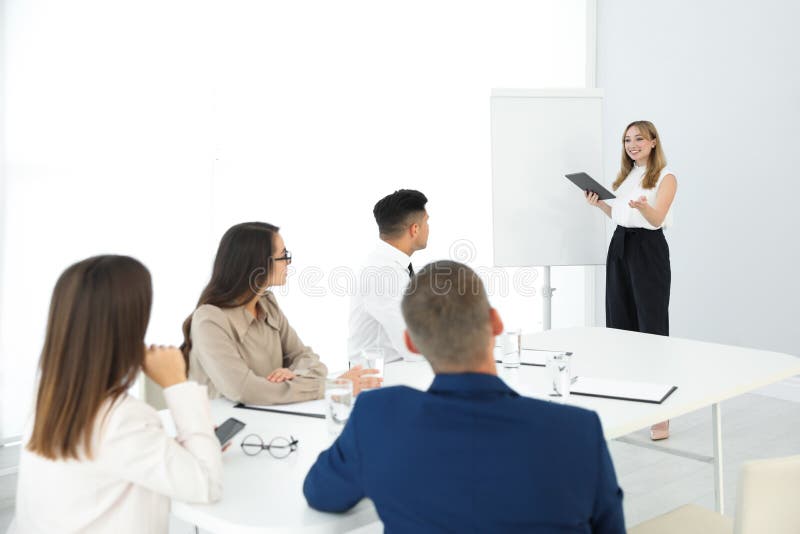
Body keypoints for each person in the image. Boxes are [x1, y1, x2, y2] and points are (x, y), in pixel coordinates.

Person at [304, 261, 625, 533]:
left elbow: (320, 492)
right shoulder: (577, 430)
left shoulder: (377, 415)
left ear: (411, 343)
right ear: (496, 323)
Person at [10, 255, 223, 534]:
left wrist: (176, 447)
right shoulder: (121, 418)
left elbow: (110, 455)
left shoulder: (51, 399)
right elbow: (207, 485)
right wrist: (176, 383)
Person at [182, 222, 380, 405]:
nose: (289, 263)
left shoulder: (267, 304)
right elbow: (244, 390)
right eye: (283, 256)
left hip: (270, 418)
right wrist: (331, 387)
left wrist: (292, 373)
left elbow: (310, 359)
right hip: (225, 428)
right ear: (257, 263)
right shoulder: (210, 320)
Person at [585, 120, 677, 440]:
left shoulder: (666, 177)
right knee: (620, 324)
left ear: (653, 141)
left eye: (639, 138)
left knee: (651, 327)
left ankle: (661, 414)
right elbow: (623, 216)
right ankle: (628, 405)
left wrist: (644, 207)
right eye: (627, 139)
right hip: (620, 245)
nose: (632, 144)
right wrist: (601, 206)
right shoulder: (626, 179)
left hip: (648, 249)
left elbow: (656, 219)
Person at [348, 189, 430, 363]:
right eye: (426, 222)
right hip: (381, 378)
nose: (428, 228)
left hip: (396, 371)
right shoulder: (382, 274)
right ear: (414, 229)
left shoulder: (391, 266)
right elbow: (412, 349)